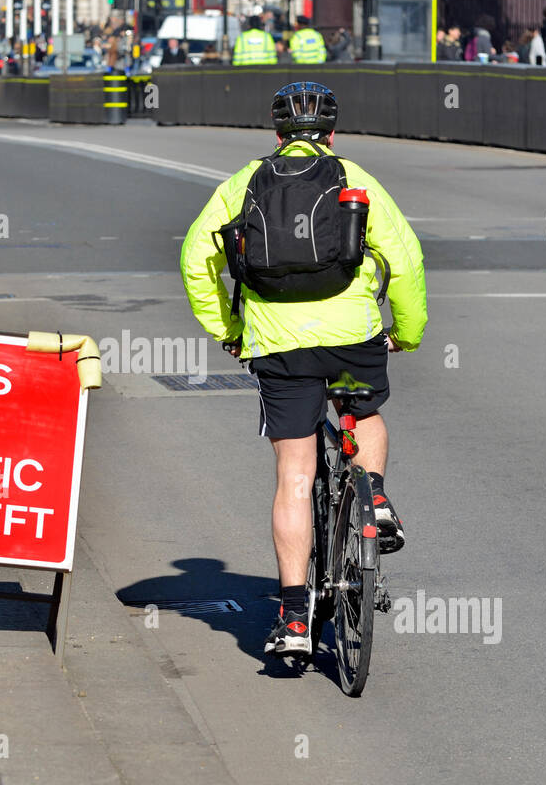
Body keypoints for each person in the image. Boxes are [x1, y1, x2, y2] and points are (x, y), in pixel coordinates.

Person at [179, 81, 428, 657]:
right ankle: (377, 497)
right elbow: (407, 259)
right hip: (352, 334)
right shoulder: (357, 179)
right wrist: (406, 334)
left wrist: (230, 330)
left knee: (296, 472)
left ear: (277, 133)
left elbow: (197, 257)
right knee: (360, 409)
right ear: (333, 134)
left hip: (278, 341)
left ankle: (294, 620)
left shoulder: (246, 181)